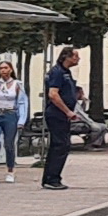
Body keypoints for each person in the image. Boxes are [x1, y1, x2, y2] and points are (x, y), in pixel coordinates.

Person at [40, 43, 84, 189]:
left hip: (62, 115)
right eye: (75, 56)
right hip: (57, 114)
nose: (78, 58)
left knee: (59, 145)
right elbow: (53, 94)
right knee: (60, 145)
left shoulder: (66, 72)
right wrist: (67, 111)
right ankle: (52, 178)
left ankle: (51, 177)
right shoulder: (57, 72)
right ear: (67, 57)